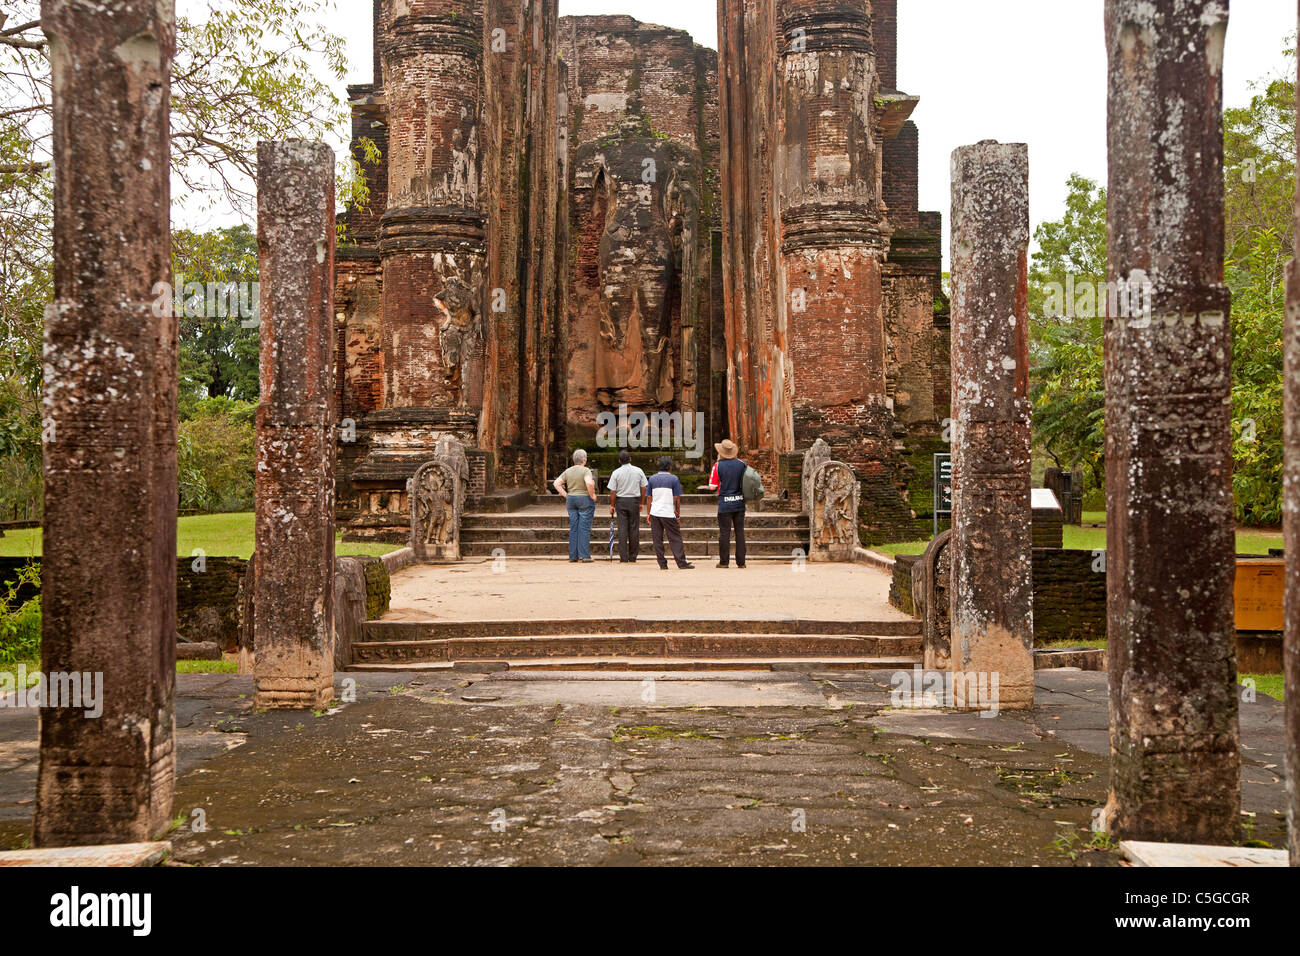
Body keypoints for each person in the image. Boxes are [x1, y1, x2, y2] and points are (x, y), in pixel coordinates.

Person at [645, 456, 694, 570]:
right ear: (670, 467)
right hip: (667, 512)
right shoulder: (674, 479)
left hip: (655, 512)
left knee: (657, 539)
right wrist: (677, 515)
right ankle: (681, 562)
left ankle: (662, 564)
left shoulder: (652, 479)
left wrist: (648, 513)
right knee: (675, 538)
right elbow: (676, 498)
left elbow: (649, 498)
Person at [552, 448, 597, 562]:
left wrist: (566, 495)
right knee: (584, 528)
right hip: (584, 499)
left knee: (574, 528)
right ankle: (585, 555)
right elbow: (589, 482)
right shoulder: (585, 470)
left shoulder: (568, 471)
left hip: (571, 500)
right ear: (584, 460)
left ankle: (573, 556)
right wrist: (592, 495)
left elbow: (556, 483)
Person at [709, 438, 747, 568]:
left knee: (724, 533)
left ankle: (724, 562)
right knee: (740, 532)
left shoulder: (718, 466)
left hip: (725, 504)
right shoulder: (742, 464)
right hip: (739, 502)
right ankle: (741, 562)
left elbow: (712, 487)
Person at [607, 449, 648, 562]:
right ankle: (633, 556)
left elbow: (613, 491)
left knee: (622, 529)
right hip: (634, 501)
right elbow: (644, 487)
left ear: (619, 461)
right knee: (634, 529)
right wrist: (641, 502)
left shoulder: (616, 473)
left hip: (621, 501)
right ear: (630, 459)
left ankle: (623, 557)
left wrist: (612, 505)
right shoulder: (639, 471)